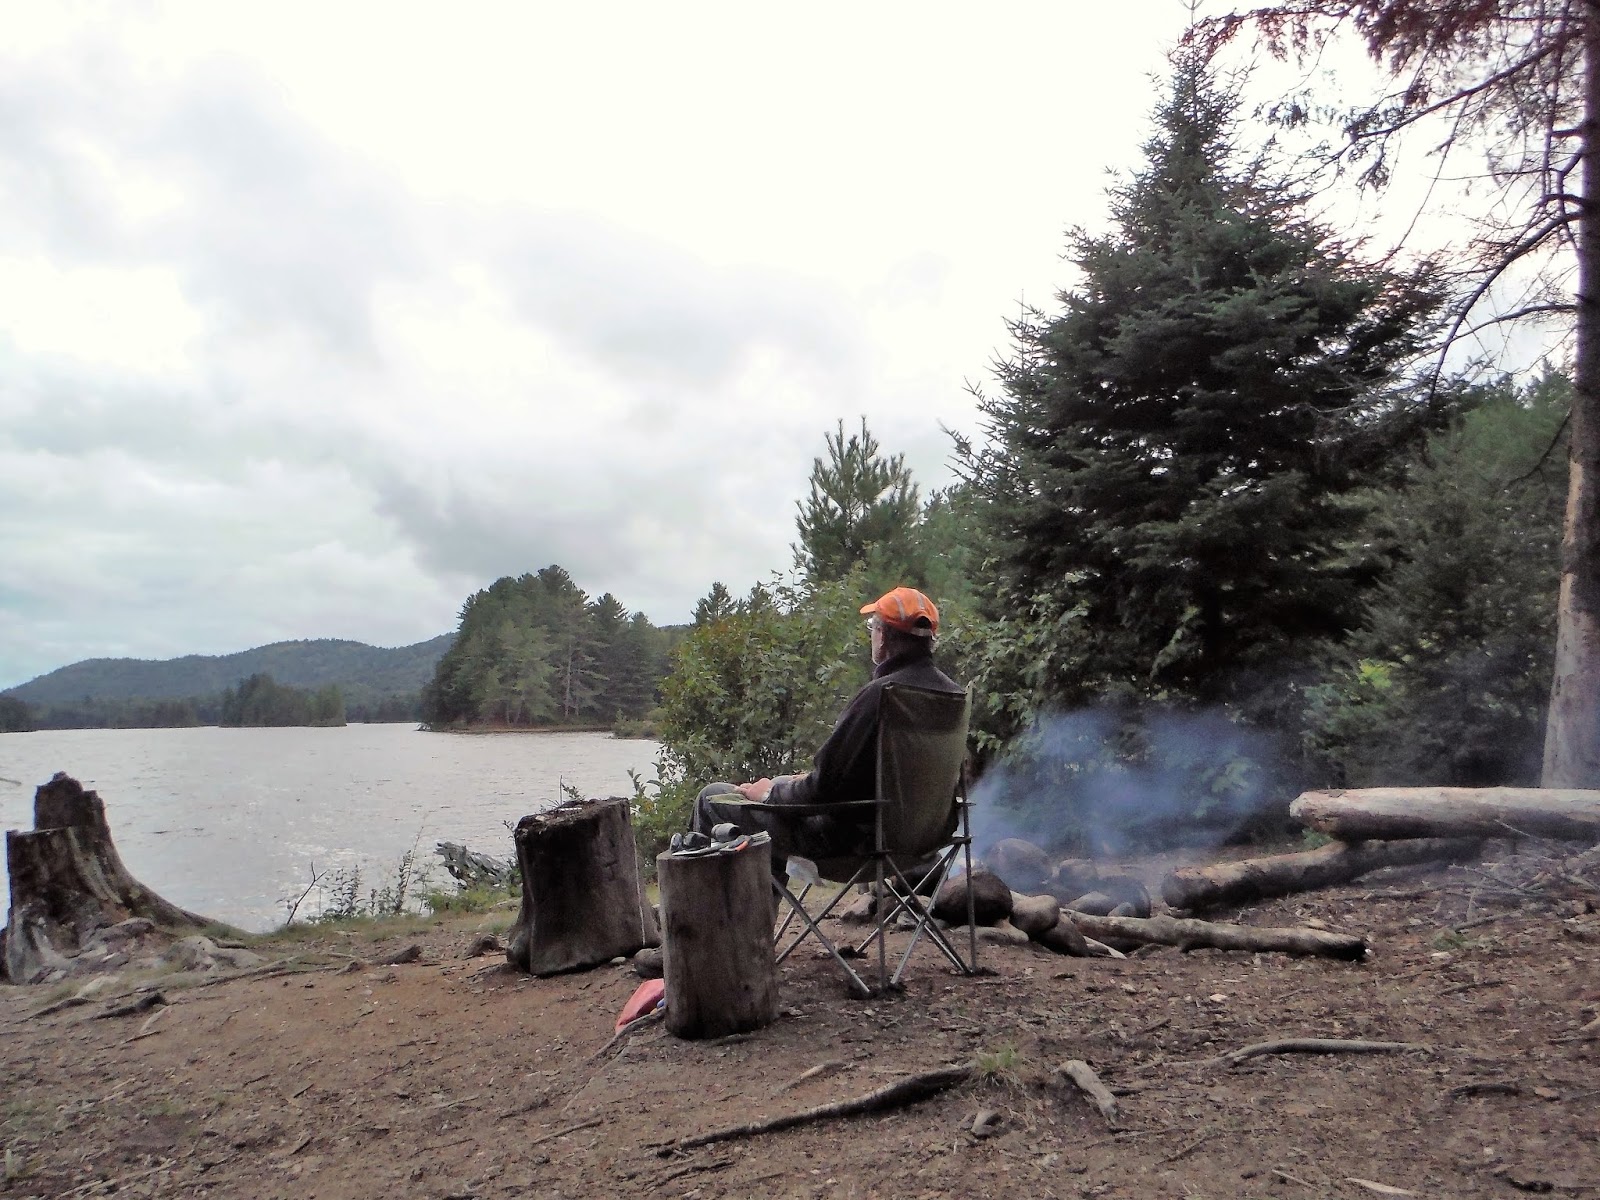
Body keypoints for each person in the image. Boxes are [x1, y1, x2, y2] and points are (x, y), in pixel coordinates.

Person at [689, 586, 964, 871]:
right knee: (781, 784)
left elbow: (824, 789)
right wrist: (783, 786)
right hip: (922, 844)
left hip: (850, 845)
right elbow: (883, 778)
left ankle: (723, 916)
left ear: (883, 637)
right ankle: (754, 911)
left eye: (873, 627)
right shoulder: (952, 697)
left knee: (713, 797)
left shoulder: (882, 695)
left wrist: (770, 795)